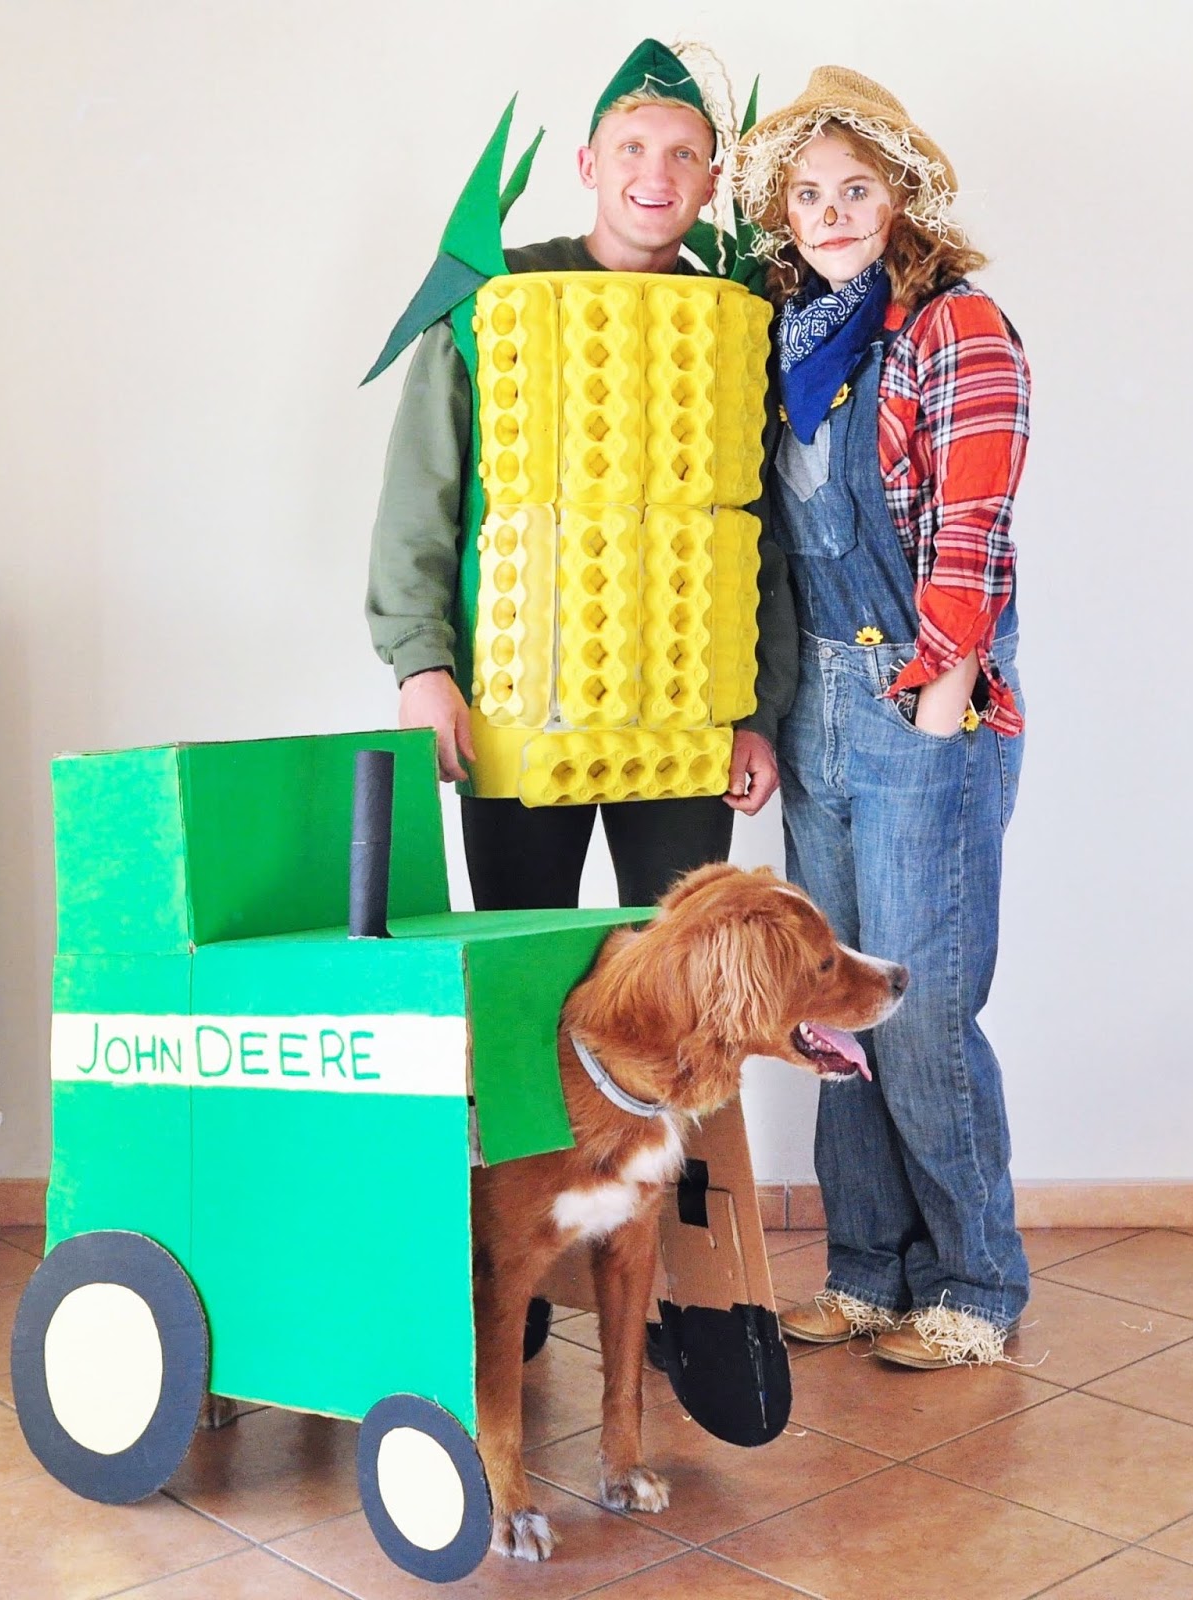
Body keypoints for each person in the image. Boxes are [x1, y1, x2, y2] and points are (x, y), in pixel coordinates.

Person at [734, 67, 1031, 1367]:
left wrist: (943, 697)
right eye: (809, 192)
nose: (833, 209)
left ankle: (974, 1287)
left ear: (901, 196)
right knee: (835, 996)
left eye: (856, 187)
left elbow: (971, 526)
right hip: (818, 706)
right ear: (784, 215)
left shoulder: (956, 328)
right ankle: (866, 1271)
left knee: (919, 1007)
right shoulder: (785, 343)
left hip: (922, 696)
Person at [366, 39, 796, 913]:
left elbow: (761, 526)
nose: (657, 174)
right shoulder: (500, 301)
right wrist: (420, 668)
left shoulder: (735, 322)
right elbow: (422, 493)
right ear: (587, 164)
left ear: (712, 182)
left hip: (683, 704)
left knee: (682, 978)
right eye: (632, 149)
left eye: (684, 155)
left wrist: (760, 709)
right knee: (524, 967)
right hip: (515, 696)